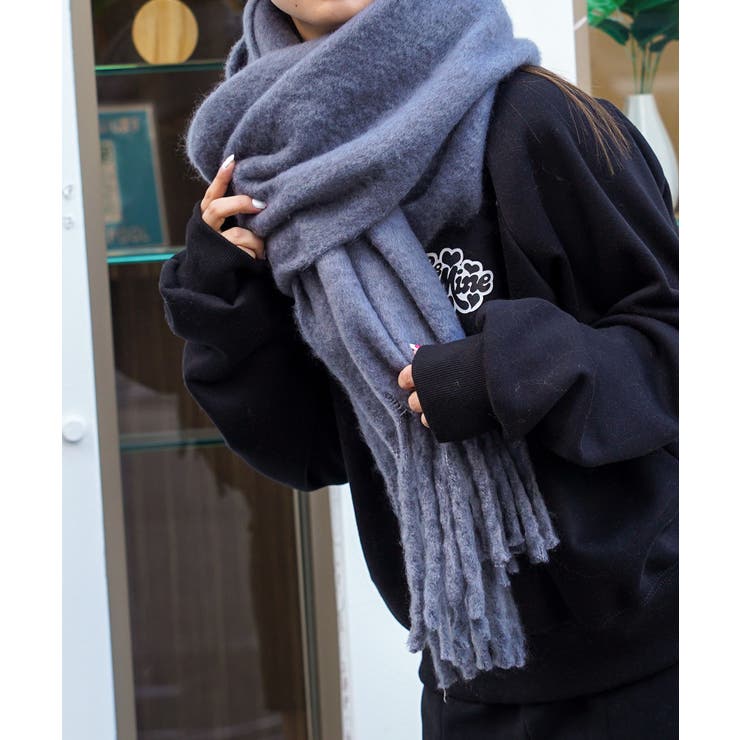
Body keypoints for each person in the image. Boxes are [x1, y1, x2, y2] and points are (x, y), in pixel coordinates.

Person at [159, 1, 678, 737]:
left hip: (649, 664)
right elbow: (313, 451)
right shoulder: (271, 177)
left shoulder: (533, 119)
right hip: (467, 669)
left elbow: (677, 346)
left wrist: (505, 373)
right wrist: (227, 300)